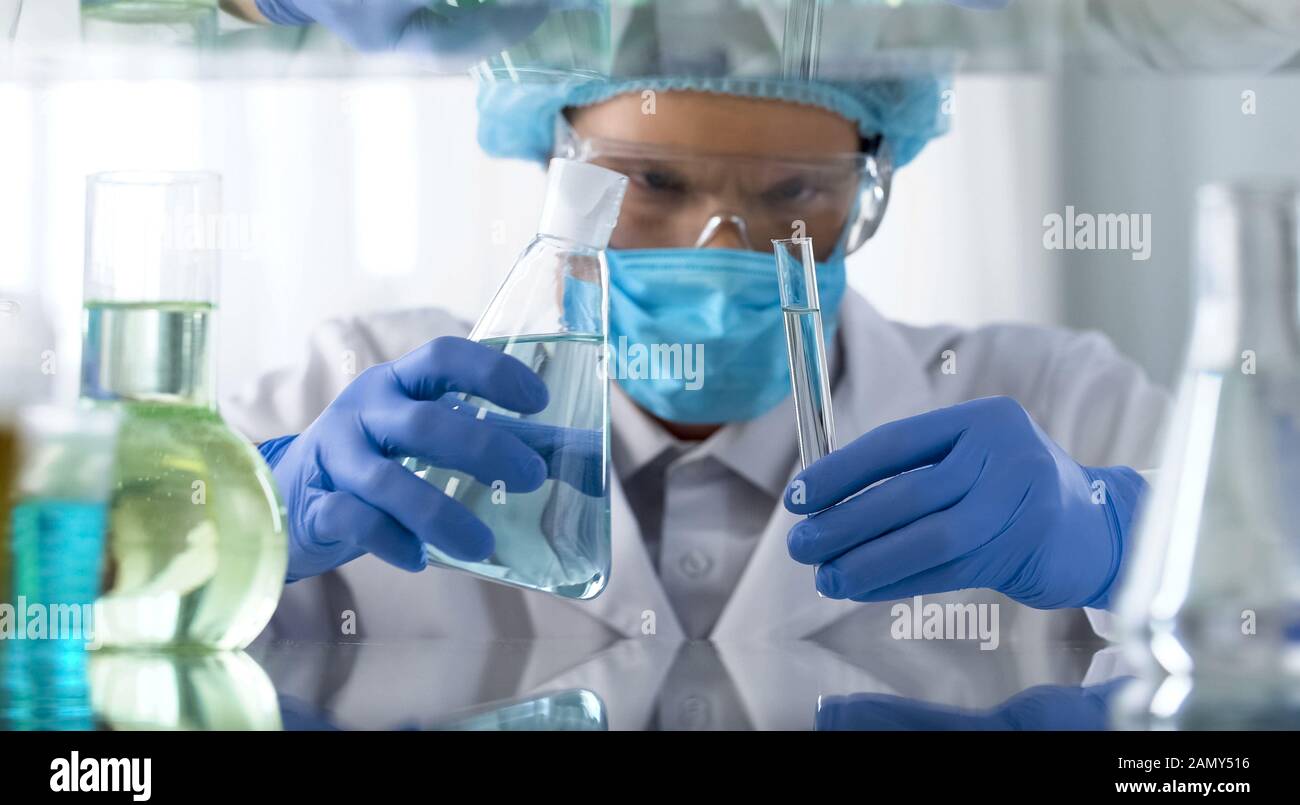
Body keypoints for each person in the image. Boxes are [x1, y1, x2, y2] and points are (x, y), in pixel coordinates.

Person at [223, 2, 1174, 646]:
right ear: (562, 173)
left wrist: (1125, 538)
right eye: (654, 182)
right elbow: (81, 584)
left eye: (796, 190)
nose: (719, 247)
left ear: (870, 190)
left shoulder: (1058, 402)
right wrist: (251, 517)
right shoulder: (349, 396)